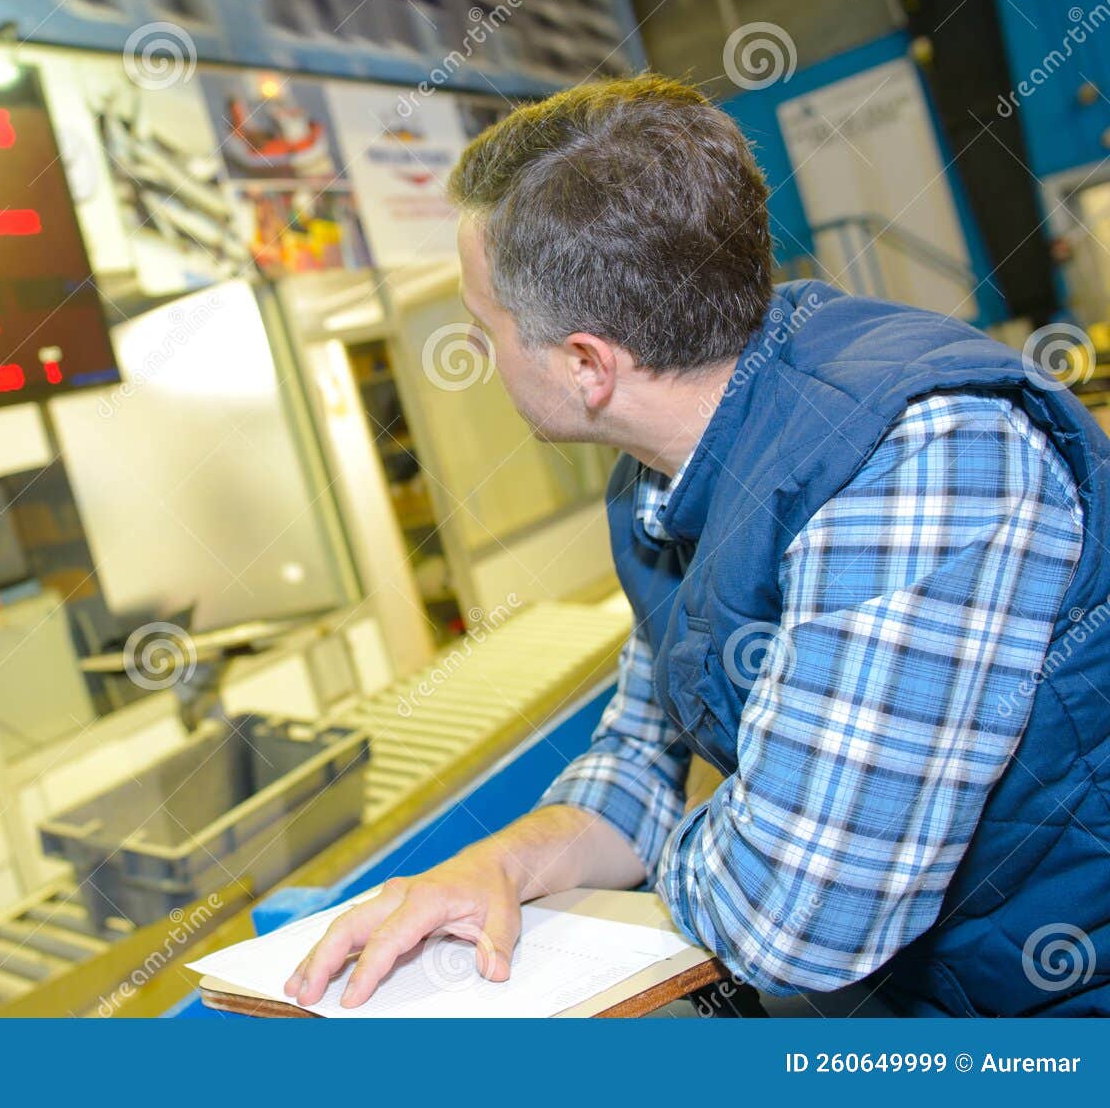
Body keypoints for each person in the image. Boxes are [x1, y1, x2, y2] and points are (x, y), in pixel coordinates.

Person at [284, 75, 1110, 1017]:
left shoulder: (916, 458)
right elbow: (641, 757)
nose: (483, 361)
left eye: (488, 334)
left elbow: (797, 920)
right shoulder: (665, 476)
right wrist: (498, 866)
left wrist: (725, 842)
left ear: (586, 365)